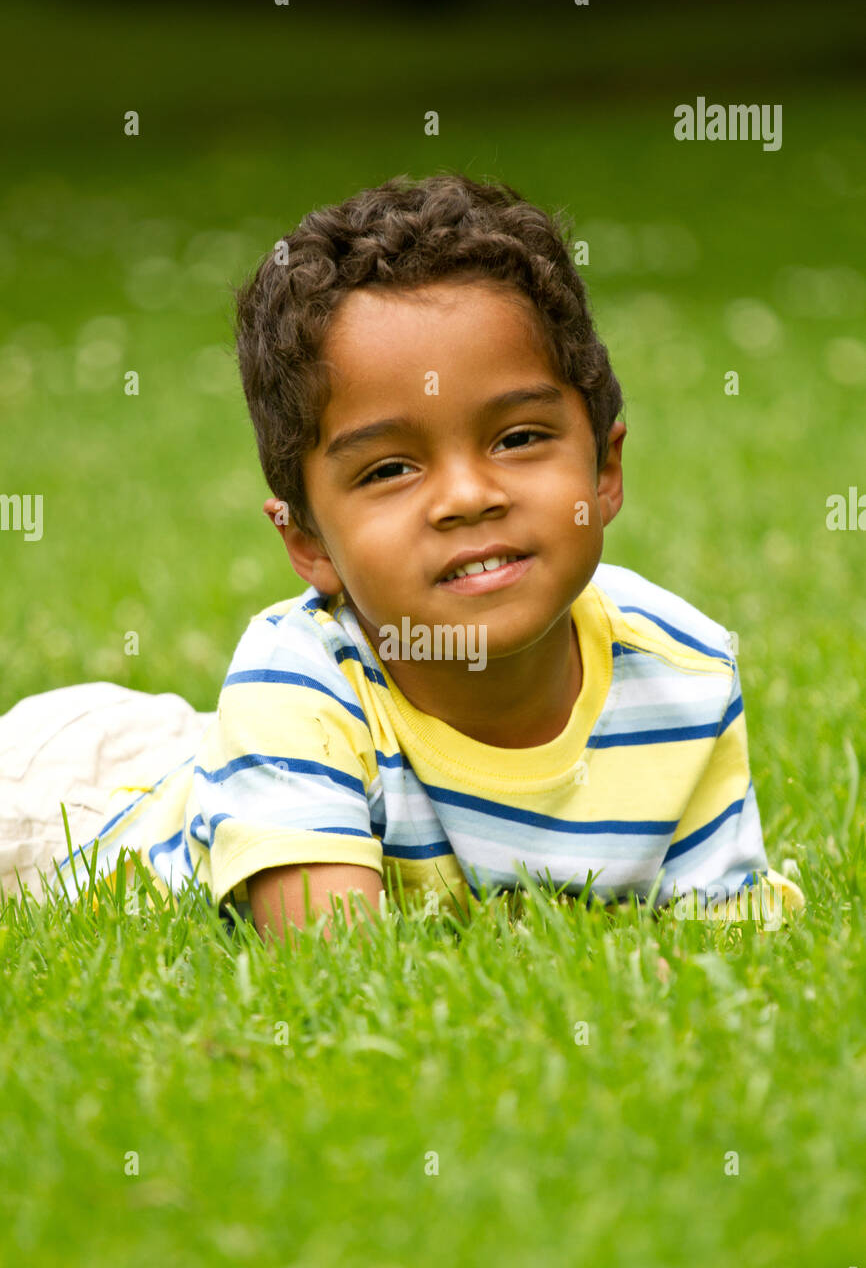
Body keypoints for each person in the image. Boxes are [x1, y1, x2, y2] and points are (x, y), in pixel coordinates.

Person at [0, 173, 805, 940]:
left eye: (518, 437)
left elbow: (731, 940)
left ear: (605, 469)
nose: (466, 495)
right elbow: (336, 963)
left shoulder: (686, 672)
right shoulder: (297, 691)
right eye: (389, 469)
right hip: (67, 792)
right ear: (309, 542)